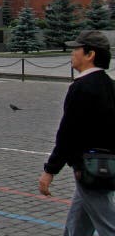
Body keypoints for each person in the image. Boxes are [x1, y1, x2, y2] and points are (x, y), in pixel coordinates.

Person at [39, 31, 115, 234]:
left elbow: (68, 134)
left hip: (91, 169)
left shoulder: (82, 88)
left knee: (109, 225)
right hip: (104, 165)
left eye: (76, 49)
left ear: (90, 54)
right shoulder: (109, 85)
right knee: (77, 225)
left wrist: (50, 171)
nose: (72, 53)